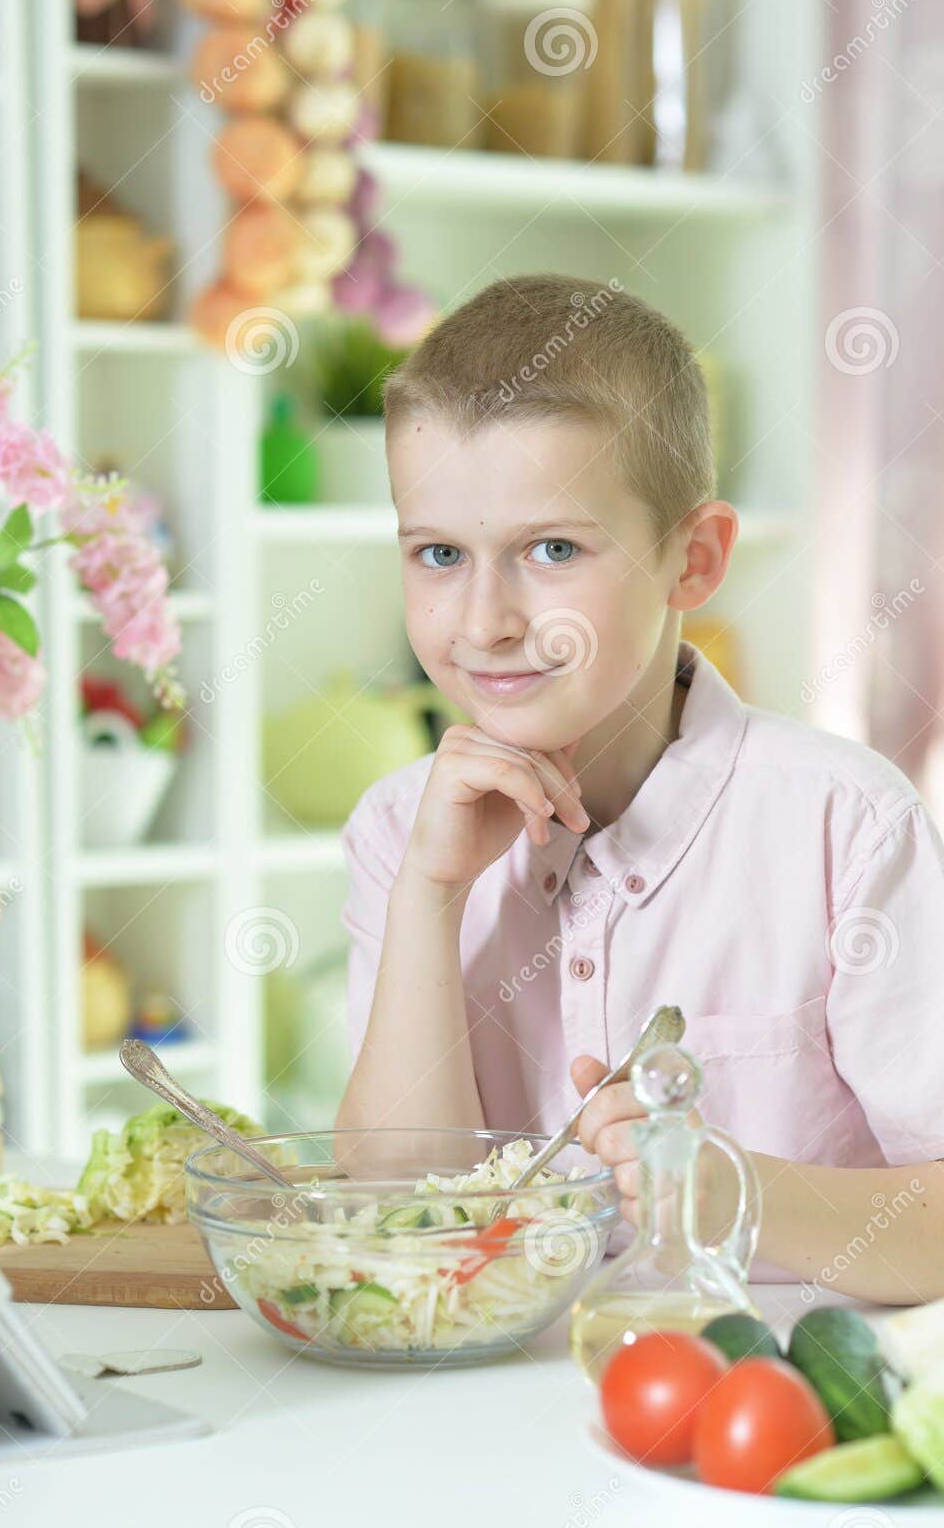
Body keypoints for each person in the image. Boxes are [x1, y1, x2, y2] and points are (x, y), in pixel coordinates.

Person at [335, 274, 944, 1305]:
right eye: (439, 554)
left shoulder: (845, 826)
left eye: (553, 550)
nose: (484, 622)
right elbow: (400, 1212)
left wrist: (736, 1191)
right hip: (476, 1437)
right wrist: (429, 899)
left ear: (693, 559)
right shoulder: (400, 831)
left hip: (756, 1430)